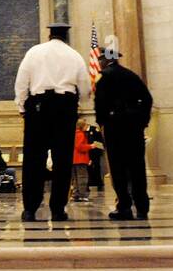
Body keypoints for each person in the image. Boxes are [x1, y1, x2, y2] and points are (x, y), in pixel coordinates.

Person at [14, 21, 91, 222]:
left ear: (50, 35)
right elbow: (85, 87)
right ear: (66, 37)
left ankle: (30, 208)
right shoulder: (74, 56)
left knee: (33, 159)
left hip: (38, 107)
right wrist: (78, 105)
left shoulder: (34, 52)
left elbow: (22, 81)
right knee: (63, 161)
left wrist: (22, 107)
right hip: (64, 107)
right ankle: (58, 209)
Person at [93, 47, 153, 221]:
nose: (98, 63)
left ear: (104, 60)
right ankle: (142, 208)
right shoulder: (131, 75)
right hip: (134, 128)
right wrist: (142, 121)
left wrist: (102, 122)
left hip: (115, 127)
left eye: (100, 60)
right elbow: (147, 99)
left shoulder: (104, 77)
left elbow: (100, 103)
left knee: (118, 168)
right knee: (137, 167)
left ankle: (124, 207)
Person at [71, 121, 91, 202]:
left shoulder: (75, 133)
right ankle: (82, 195)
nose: (87, 126)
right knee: (82, 177)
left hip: (74, 159)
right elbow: (80, 147)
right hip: (81, 159)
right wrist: (90, 146)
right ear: (82, 126)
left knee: (76, 178)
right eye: (86, 125)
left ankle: (76, 194)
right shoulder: (81, 134)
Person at [85, 122, 106, 190]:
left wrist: (96, 146)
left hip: (95, 152)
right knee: (88, 168)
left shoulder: (94, 129)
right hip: (86, 152)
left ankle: (99, 184)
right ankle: (88, 184)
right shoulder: (82, 131)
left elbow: (100, 140)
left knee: (97, 167)